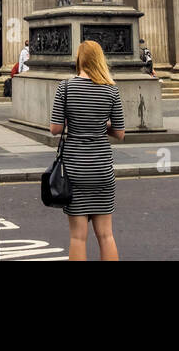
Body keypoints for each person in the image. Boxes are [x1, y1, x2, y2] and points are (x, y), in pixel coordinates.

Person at [50, 39, 126, 261]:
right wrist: (101, 124)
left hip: (75, 169)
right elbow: (120, 133)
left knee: (78, 238)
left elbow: (55, 129)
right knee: (106, 235)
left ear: (79, 59)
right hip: (102, 168)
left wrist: (74, 120)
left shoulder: (65, 87)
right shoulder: (111, 90)